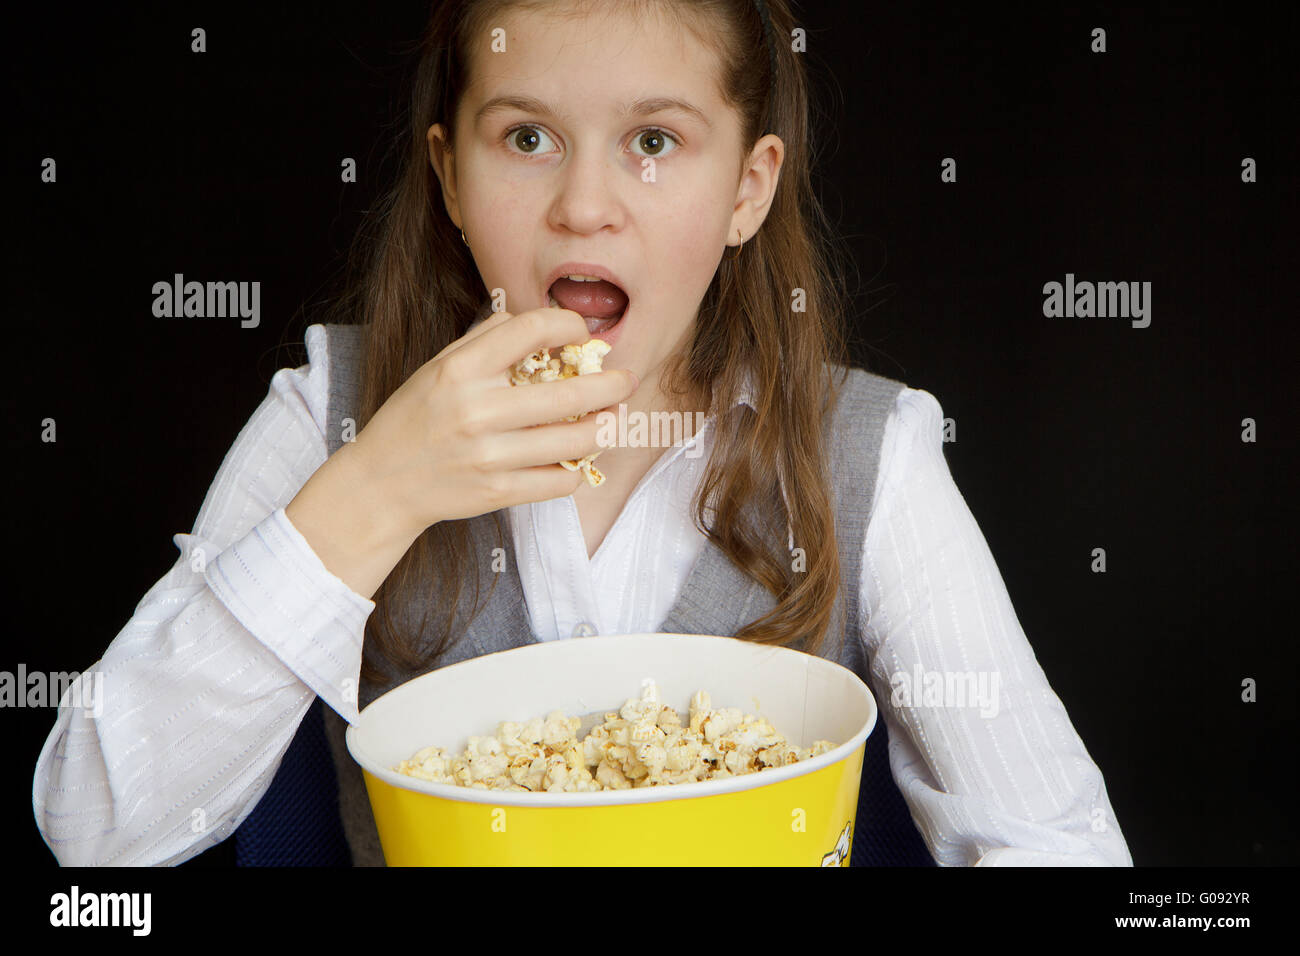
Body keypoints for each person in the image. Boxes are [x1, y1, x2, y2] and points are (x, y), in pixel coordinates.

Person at [32, 0, 1132, 866]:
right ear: (450, 178)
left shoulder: (867, 453)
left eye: (654, 138)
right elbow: (94, 825)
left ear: (748, 190)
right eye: (525, 137)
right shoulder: (331, 412)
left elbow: (1051, 841)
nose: (585, 204)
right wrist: (375, 491)